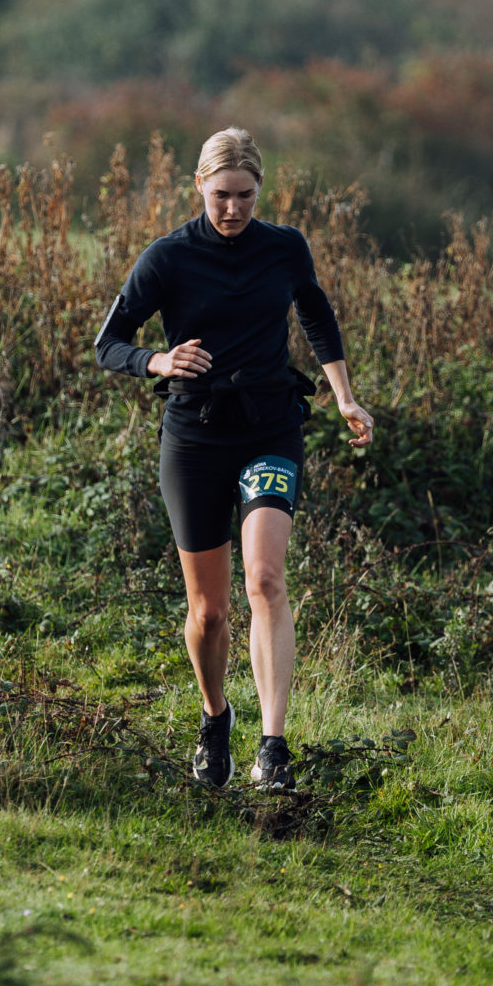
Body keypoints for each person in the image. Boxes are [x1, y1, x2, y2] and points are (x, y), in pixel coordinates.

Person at [95, 127, 373, 791]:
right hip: (193, 437)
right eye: (221, 195)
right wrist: (157, 359)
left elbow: (315, 313)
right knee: (209, 612)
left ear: (260, 191)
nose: (233, 209)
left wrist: (343, 396)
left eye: (245, 195)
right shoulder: (167, 258)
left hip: (270, 427)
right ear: (198, 187)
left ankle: (273, 746)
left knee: (265, 580)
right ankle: (215, 715)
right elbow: (109, 343)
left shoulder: (284, 247)